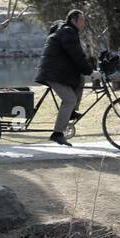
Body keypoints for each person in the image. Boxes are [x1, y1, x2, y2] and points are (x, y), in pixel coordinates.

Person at [35, 9, 94, 146]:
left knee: (80, 79)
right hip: (53, 73)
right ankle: (57, 134)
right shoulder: (68, 32)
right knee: (69, 99)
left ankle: (72, 113)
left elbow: (77, 57)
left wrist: (87, 70)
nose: (84, 23)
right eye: (82, 20)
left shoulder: (68, 31)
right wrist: (90, 71)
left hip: (58, 72)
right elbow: (76, 55)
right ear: (74, 20)